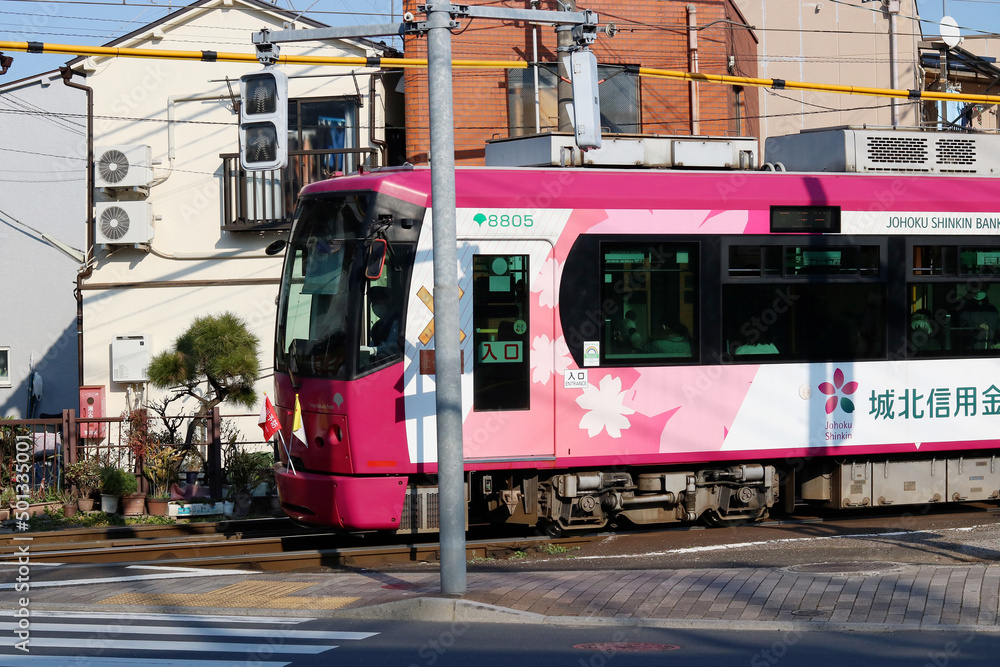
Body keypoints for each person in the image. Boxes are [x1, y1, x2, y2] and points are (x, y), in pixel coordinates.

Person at [361, 286, 400, 358]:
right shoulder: (376, 327)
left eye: (377, 301)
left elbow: (395, 346)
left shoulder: (398, 322)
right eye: (373, 303)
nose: (375, 305)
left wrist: (374, 350)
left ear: (388, 300)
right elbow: (373, 344)